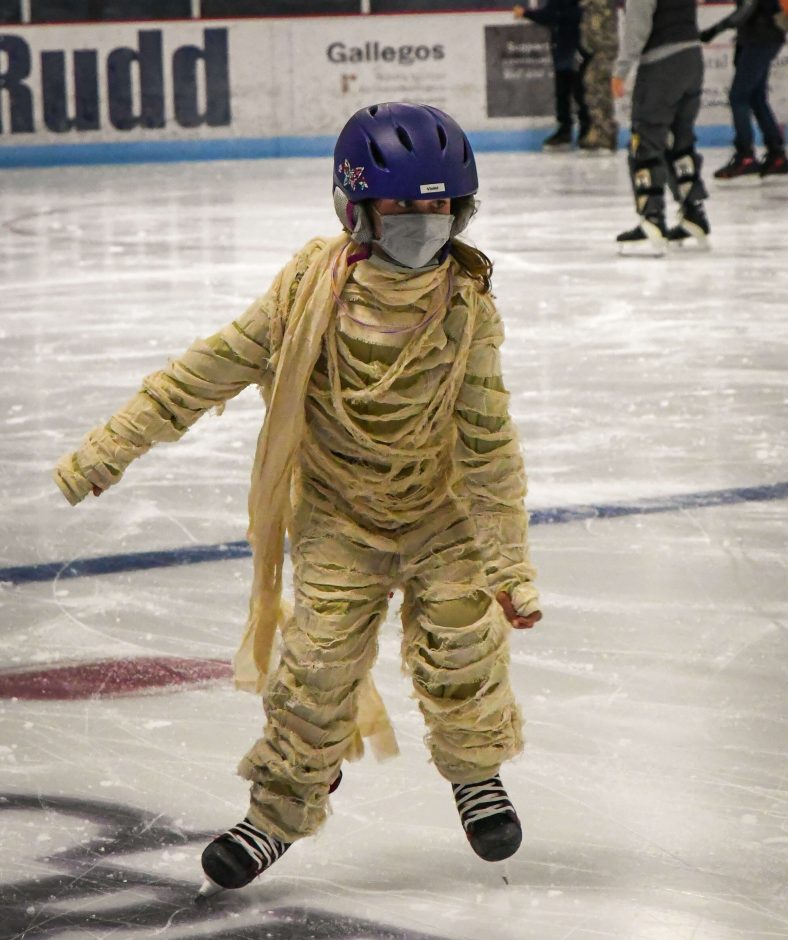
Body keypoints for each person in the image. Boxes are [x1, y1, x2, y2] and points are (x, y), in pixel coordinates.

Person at [53, 102, 543, 894]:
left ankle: (476, 771)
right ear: (355, 210)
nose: (423, 223)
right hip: (340, 518)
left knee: (463, 639)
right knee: (313, 668)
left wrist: (510, 564)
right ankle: (280, 809)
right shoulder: (303, 294)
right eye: (401, 208)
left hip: (440, 513)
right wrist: (109, 450)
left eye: (437, 207)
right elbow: (202, 373)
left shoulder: (466, 308)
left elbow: (489, 444)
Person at [612, 0, 711, 255]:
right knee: (680, 141)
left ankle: (652, 219)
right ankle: (693, 213)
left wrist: (621, 70)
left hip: (661, 63)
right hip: (692, 57)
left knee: (646, 141)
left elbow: (638, 25)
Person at [700, 0, 787, 178]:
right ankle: (776, 154)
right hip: (764, 36)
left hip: (760, 39)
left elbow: (748, 8)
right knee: (756, 97)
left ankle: (745, 156)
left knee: (738, 97)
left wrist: (715, 29)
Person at [514, 0, 591, 149]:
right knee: (565, 92)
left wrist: (525, 13)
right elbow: (553, 13)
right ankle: (569, 131)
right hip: (565, 49)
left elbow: (551, 14)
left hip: (573, 49)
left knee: (577, 92)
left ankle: (583, 131)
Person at [579, 0, 620, 151]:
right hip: (604, 52)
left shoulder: (597, 6)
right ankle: (604, 130)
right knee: (601, 90)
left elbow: (593, 36)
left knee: (595, 88)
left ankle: (602, 131)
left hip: (601, 53)